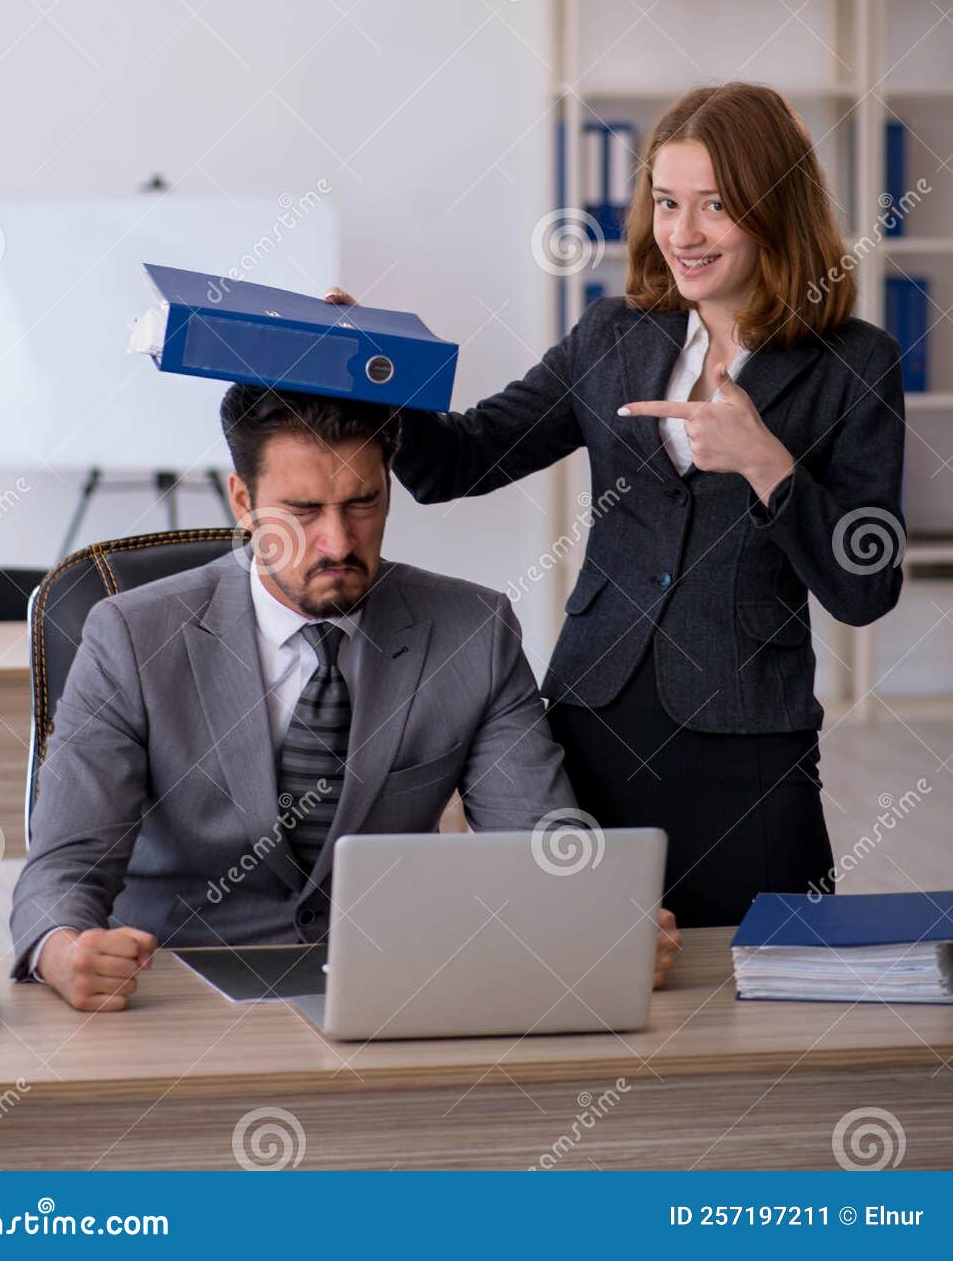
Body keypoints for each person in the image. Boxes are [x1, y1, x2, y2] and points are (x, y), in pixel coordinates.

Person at [327, 82, 906, 928]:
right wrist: (369, 370)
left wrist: (769, 466)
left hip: (748, 737)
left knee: (772, 983)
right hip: (594, 720)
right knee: (585, 974)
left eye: (716, 206)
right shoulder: (614, 334)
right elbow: (462, 460)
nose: (683, 232)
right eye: (668, 202)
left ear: (776, 209)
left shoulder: (855, 363)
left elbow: (867, 589)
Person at [11, 385, 680, 1011]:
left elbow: (538, 836)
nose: (337, 542)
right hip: (180, 997)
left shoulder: (470, 631)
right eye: (303, 511)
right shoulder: (132, 635)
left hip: (392, 992)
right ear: (243, 500)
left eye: (362, 503)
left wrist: (597, 916)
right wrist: (63, 950)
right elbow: (65, 863)